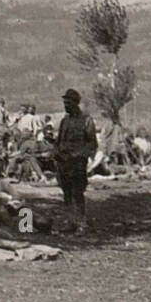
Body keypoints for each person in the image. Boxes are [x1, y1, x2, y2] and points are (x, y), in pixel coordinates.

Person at [54, 88, 98, 232]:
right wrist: (57, 153)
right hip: (64, 163)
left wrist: (79, 155)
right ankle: (70, 221)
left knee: (77, 193)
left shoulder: (86, 121)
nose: (65, 105)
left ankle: (81, 222)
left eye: (68, 102)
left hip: (77, 163)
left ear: (76, 103)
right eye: (64, 102)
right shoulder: (64, 121)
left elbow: (92, 144)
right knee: (66, 194)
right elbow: (58, 141)